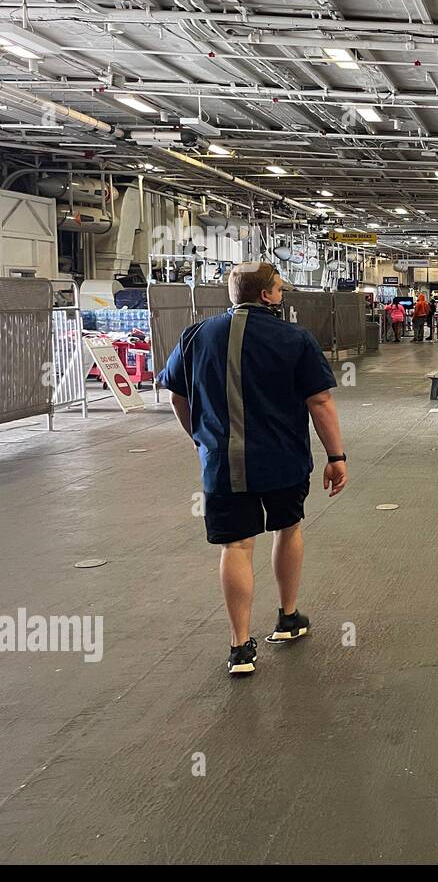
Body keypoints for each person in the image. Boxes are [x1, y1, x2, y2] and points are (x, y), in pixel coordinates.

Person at [157, 262, 347, 676]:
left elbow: (176, 396)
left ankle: (240, 646)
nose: (281, 294)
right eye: (279, 288)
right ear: (267, 295)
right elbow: (320, 402)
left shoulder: (195, 335)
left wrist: (201, 438)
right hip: (283, 460)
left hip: (223, 464)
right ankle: (287, 617)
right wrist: (336, 456)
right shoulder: (295, 338)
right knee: (288, 527)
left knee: (237, 547)